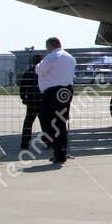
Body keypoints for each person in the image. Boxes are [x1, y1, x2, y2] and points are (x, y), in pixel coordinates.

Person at [35, 36, 76, 165]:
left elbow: (40, 71)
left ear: (50, 46)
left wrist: (38, 64)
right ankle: (60, 152)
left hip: (53, 92)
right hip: (66, 90)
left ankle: (52, 143)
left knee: (44, 118)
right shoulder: (70, 57)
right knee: (60, 122)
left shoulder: (52, 56)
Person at [18, 53, 45, 151]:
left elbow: (23, 85)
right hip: (42, 99)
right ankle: (48, 142)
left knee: (28, 122)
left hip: (31, 100)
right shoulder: (44, 71)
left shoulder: (28, 71)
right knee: (45, 122)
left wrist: (23, 97)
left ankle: (24, 143)